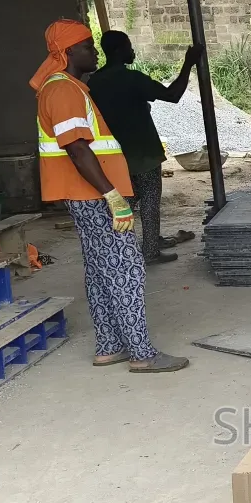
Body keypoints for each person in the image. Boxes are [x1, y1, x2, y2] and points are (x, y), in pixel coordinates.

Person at [32, 19, 188, 373]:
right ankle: (142, 354)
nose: (94, 52)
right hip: (92, 196)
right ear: (69, 52)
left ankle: (109, 346)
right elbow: (77, 149)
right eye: (88, 46)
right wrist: (113, 197)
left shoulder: (68, 86)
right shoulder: (63, 90)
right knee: (125, 268)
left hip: (84, 195)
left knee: (100, 269)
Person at [88, 31, 202, 266]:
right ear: (119, 50)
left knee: (127, 200)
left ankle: (126, 247)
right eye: (129, 47)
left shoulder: (95, 82)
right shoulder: (131, 78)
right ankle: (150, 251)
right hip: (142, 152)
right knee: (149, 202)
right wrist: (188, 63)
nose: (132, 52)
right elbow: (172, 95)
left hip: (113, 156)